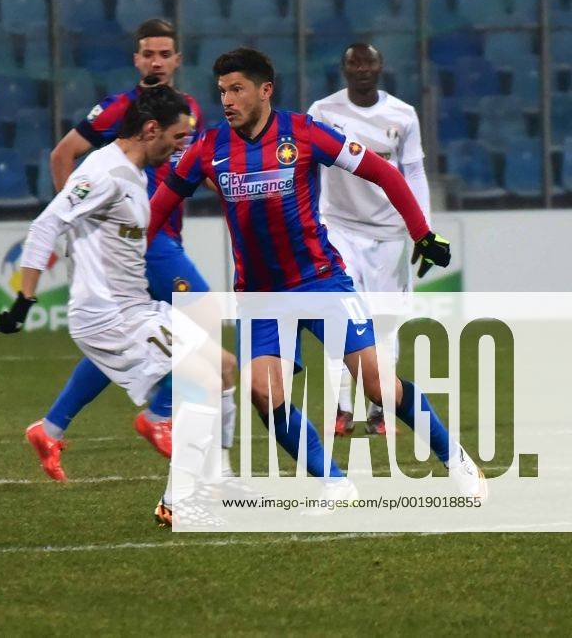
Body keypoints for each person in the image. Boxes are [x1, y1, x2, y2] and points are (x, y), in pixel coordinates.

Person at [147, 48, 486, 511]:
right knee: (263, 393)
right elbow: (160, 207)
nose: (227, 99)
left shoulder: (303, 133)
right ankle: (333, 480)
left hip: (320, 282)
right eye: (222, 90)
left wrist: (421, 232)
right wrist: (131, 256)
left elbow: (383, 171)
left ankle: (456, 460)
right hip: (260, 297)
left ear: (265, 90)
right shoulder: (207, 149)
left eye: (237, 88)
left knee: (377, 386)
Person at [0, 87, 237, 522]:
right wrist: (23, 300)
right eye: (177, 136)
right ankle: (189, 496)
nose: (181, 146)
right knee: (201, 376)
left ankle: (216, 481)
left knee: (224, 367)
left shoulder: (136, 172)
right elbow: (45, 225)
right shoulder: (104, 174)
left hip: (136, 308)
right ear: (150, 130)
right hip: (109, 317)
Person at [308, 43, 432, 437]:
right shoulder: (323, 112)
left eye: (369, 62)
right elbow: (306, 168)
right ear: (343, 69)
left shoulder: (403, 115)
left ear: (381, 67)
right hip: (339, 228)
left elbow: (413, 173)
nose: (362, 68)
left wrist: (423, 230)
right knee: (340, 317)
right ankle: (342, 410)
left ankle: (382, 410)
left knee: (384, 324)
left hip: (391, 233)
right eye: (354, 63)